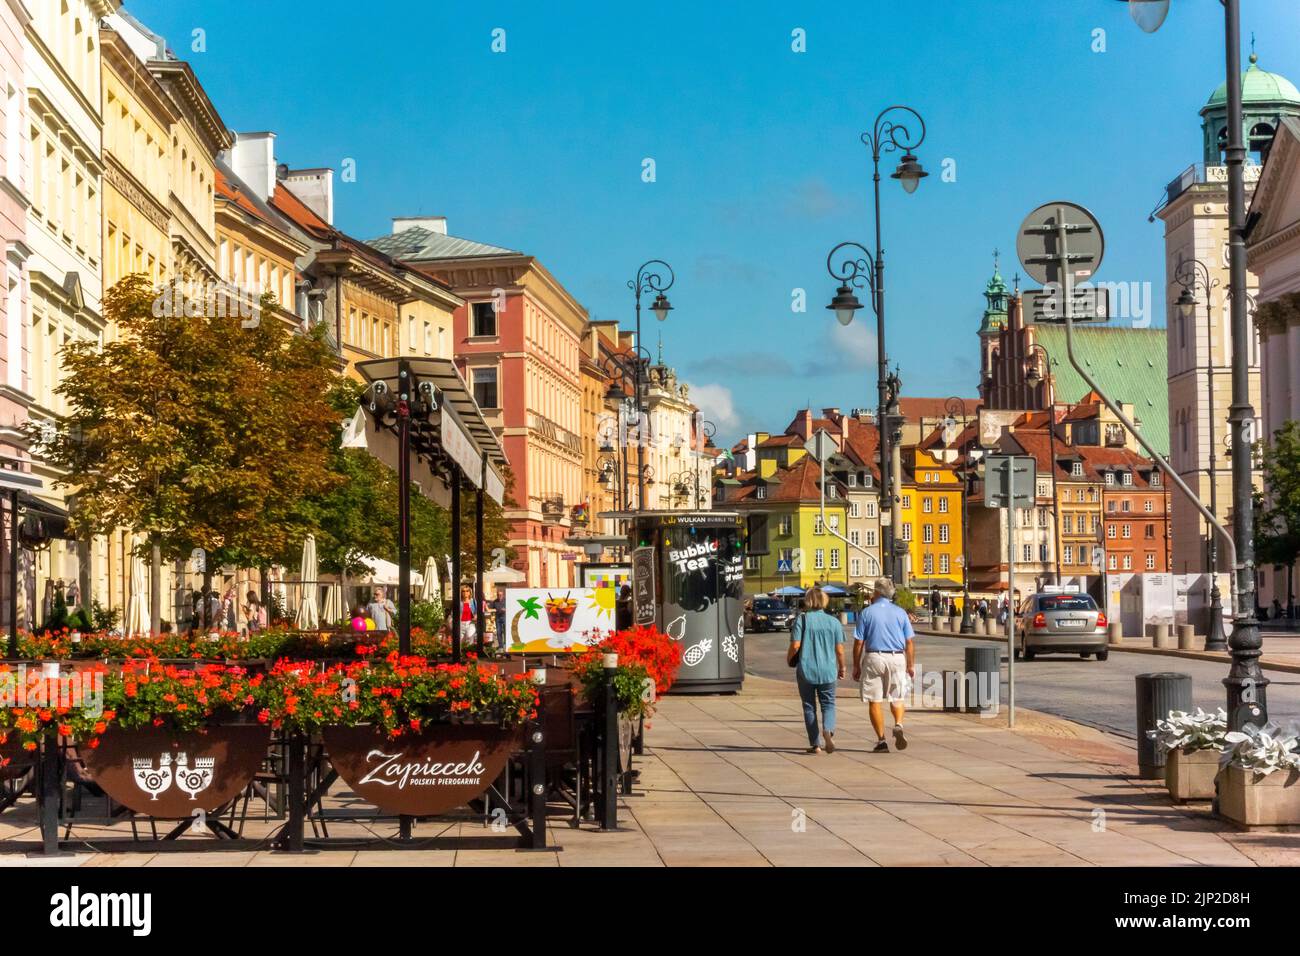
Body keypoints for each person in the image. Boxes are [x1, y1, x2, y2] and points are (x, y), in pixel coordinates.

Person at [853, 577, 915, 753]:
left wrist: (856, 665)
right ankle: (898, 724)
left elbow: (859, 642)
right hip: (897, 657)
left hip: (875, 657)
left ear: (877, 592)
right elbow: (909, 642)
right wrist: (910, 665)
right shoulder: (900, 612)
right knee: (897, 696)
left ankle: (881, 741)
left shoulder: (867, 613)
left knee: (875, 700)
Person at [787, 586, 846, 754]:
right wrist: (842, 667)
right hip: (828, 670)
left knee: (809, 706)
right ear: (825, 601)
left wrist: (789, 657)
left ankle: (816, 744)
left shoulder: (802, 620)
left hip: (806, 669)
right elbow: (840, 650)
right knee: (828, 704)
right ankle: (828, 729)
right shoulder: (834, 622)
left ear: (808, 601)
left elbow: (796, 645)